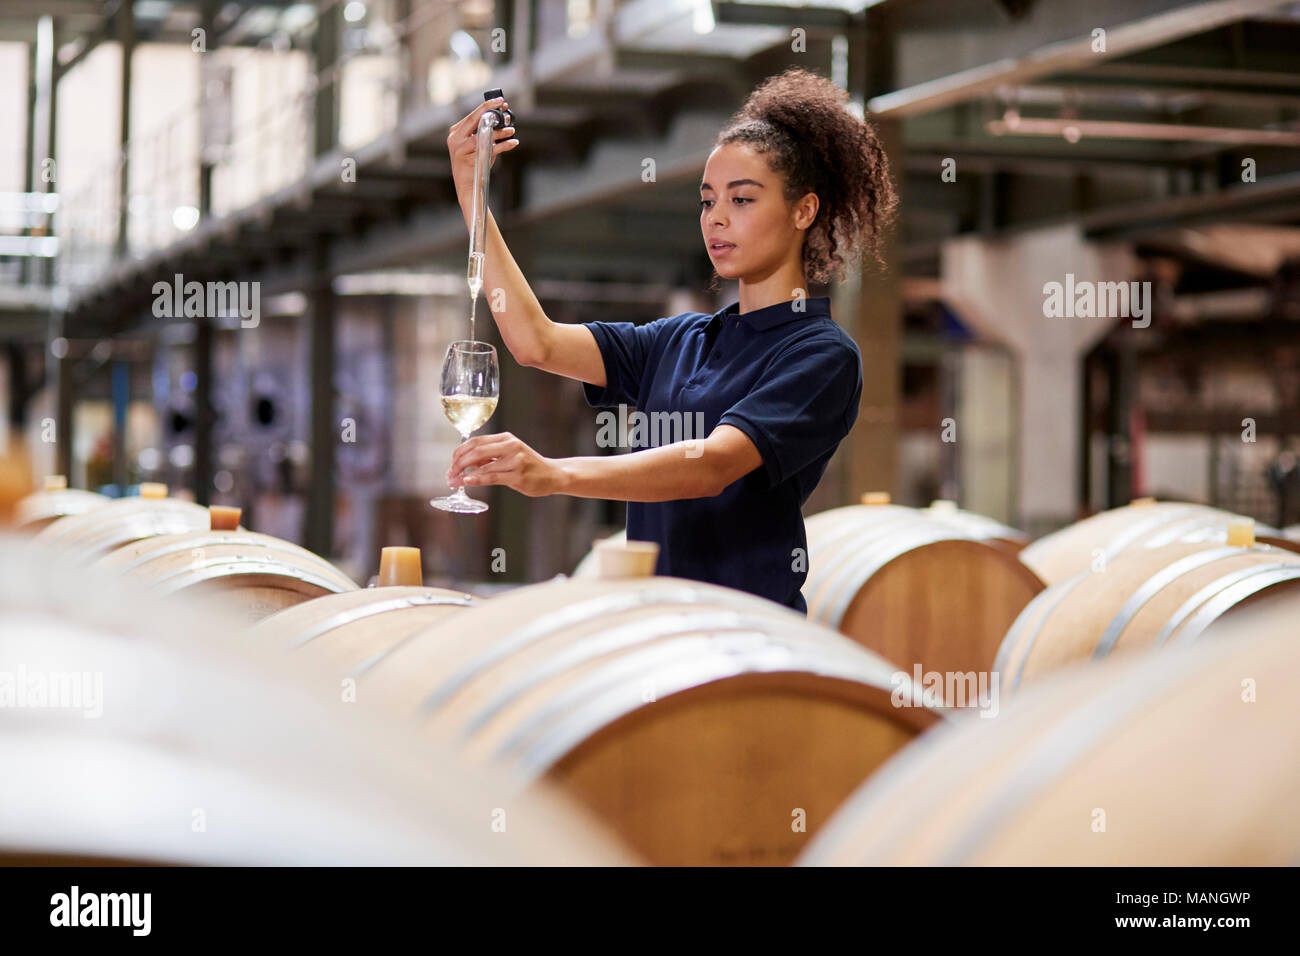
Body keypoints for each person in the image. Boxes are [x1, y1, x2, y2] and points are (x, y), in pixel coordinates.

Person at [443, 68, 897, 612]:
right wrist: (474, 193)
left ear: (804, 211)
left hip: (747, 637)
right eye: (708, 201)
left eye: (743, 200)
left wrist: (554, 473)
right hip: (659, 632)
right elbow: (534, 342)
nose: (717, 219)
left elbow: (711, 466)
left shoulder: (821, 354)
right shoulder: (678, 341)